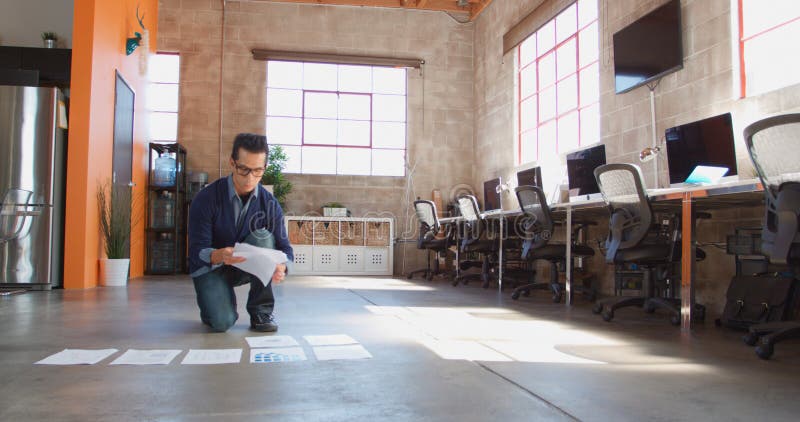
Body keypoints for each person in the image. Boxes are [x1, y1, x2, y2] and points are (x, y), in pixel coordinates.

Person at [188, 133, 294, 332]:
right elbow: (196, 251)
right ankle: (213, 307)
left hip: (245, 267)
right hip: (212, 267)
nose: (250, 178)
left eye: (257, 171)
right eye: (244, 169)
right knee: (221, 322)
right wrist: (217, 255)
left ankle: (261, 312)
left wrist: (283, 266)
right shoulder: (206, 198)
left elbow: (285, 248)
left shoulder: (269, 203)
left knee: (263, 238)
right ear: (232, 162)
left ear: (264, 168)